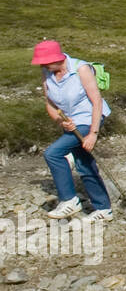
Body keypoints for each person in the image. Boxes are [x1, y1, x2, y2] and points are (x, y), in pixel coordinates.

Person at [35, 41, 114, 222]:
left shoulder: (81, 69)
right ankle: (104, 209)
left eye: (45, 62)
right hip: (71, 122)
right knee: (83, 162)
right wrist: (60, 121)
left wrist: (93, 134)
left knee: (52, 153)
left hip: (89, 119)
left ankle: (69, 199)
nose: (43, 65)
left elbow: (97, 102)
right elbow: (50, 103)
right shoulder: (47, 72)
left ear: (57, 58)